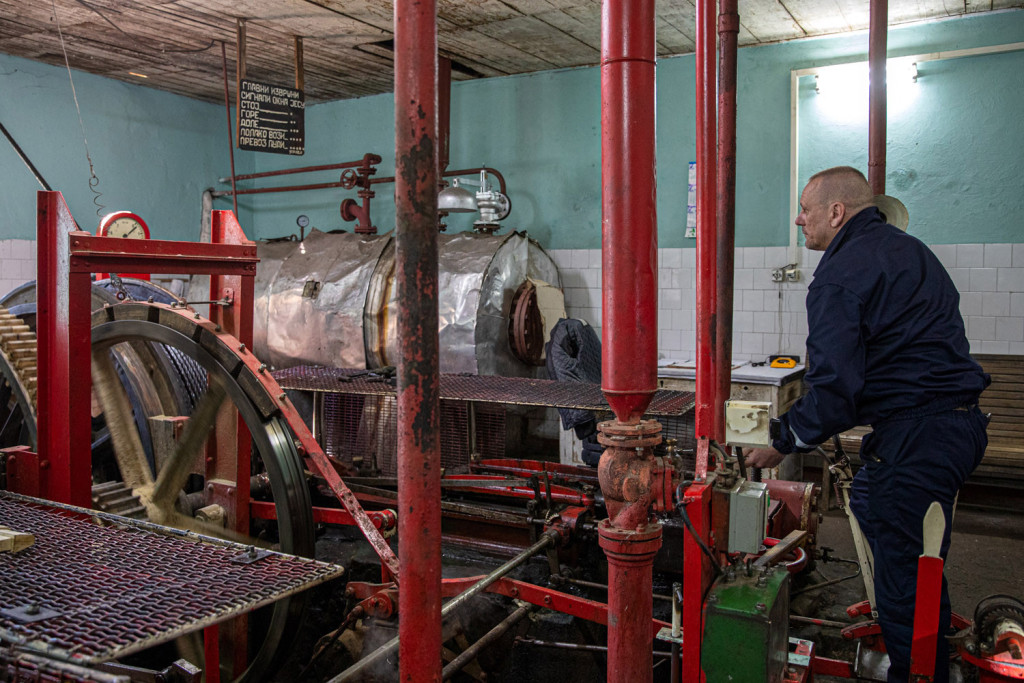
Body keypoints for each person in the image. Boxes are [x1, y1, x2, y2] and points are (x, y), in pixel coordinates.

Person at [745, 166, 989, 683]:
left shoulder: (839, 274)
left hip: (921, 433)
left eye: (805, 209)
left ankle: (919, 671)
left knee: (903, 571)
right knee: (886, 518)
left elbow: (837, 393)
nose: (798, 218)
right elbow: (881, 360)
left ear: (836, 213)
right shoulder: (910, 251)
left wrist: (780, 439)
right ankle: (929, 635)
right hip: (952, 426)